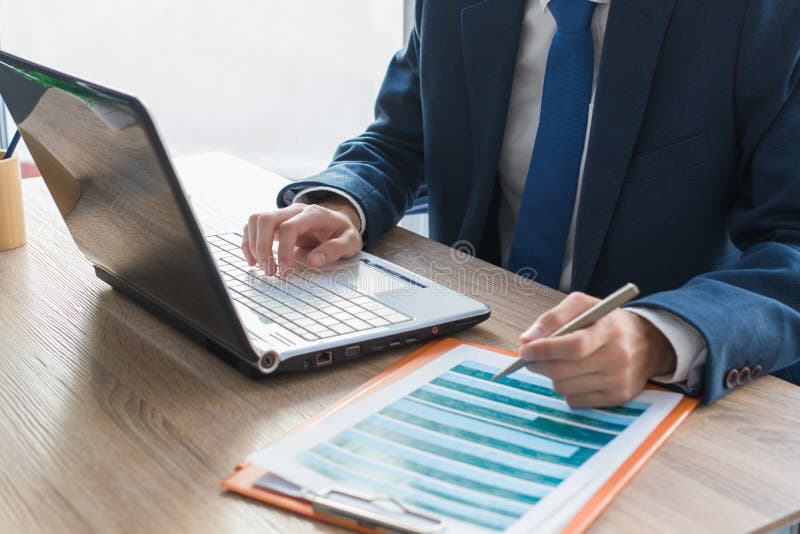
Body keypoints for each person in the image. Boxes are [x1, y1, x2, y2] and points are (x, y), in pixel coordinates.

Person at [241, 0, 800, 407]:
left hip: (657, 394)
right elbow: (403, 139)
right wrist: (341, 203)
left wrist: (657, 335)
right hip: (472, 345)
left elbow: (792, 243)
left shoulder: (763, 19)